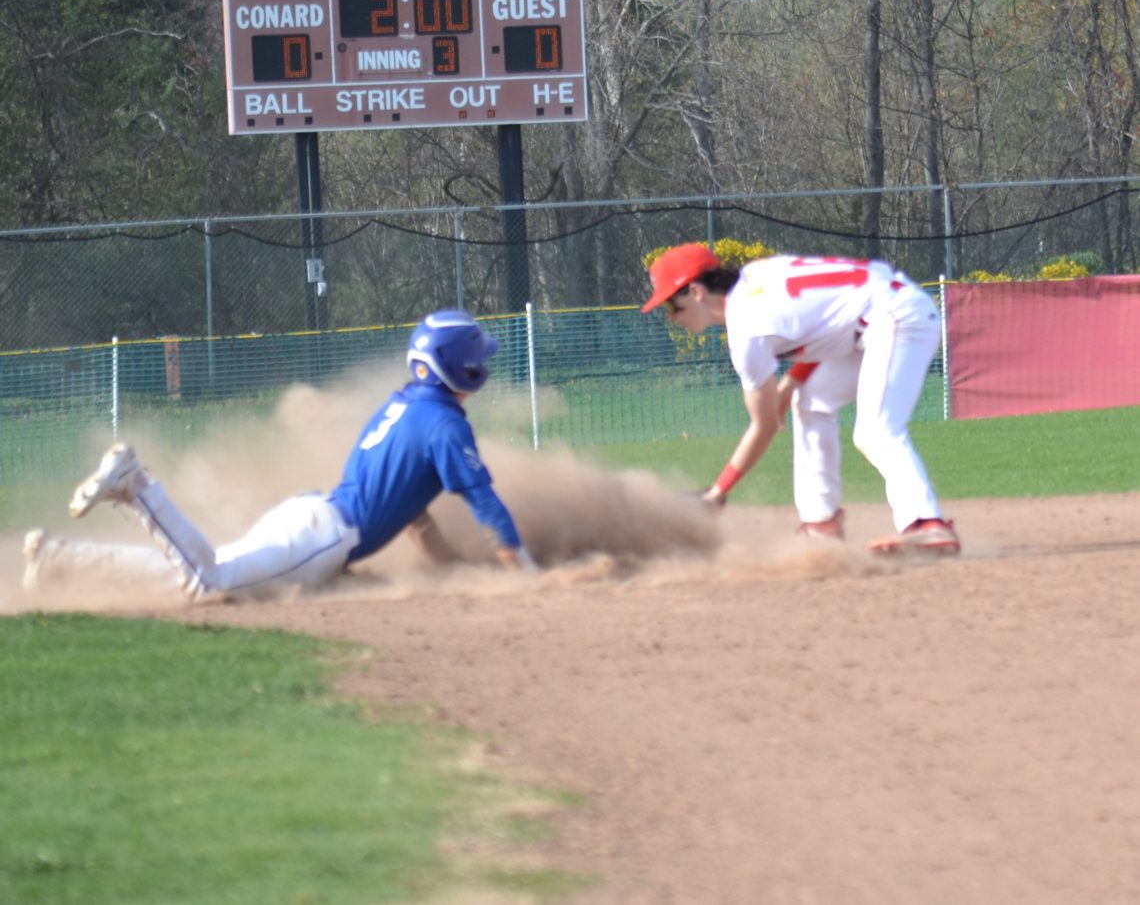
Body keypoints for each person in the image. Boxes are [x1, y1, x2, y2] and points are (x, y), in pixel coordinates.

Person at [23, 309, 537, 599]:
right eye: (476, 356)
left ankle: (60, 557)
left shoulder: (406, 406)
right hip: (323, 538)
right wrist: (529, 577)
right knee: (209, 583)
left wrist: (452, 569)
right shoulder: (446, 426)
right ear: (460, 367)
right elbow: (486, 506)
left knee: (199, 571)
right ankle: (137, 487)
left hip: (310, 518)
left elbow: (412, 517)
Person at [641, 244, 959, 555]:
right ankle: (821, 525)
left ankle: (927, 524)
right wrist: (790, 383)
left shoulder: (746, 329)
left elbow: (764, 427)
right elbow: (826, 320)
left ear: (696, 292)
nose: (671, 317)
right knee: (810, 402)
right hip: (881, 315)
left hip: (898, 318)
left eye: (672, 306)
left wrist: (717, 492)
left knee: (875, 431)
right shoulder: (757, 275)